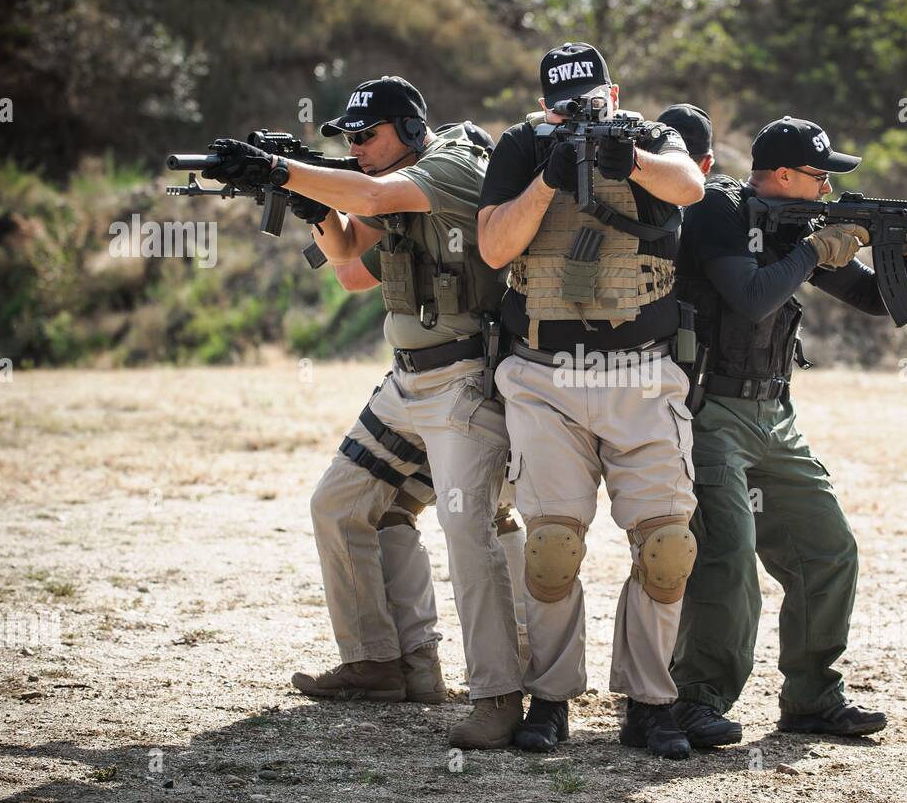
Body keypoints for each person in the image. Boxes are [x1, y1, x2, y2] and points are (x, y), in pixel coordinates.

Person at [204, 76, 525, 749]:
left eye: (366, 136)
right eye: (347, 141)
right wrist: (306, 197)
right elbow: (350, 268)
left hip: (465, 382)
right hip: (408, 383)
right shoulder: (394, 180)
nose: (357, 149)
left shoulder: (447, 168)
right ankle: (386, 664)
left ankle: (498, 696)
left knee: (470, 534)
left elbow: (375, 195)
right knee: (342, 504)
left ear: (410, 129)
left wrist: (286, 169)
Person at [668, 115, 907, 746]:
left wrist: (903, 254)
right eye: (818, 176)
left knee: (829, 549)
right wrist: (812, 250)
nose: (828, 191)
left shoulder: (797, 230)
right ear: (779, 176)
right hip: (710, 410)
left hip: (776, 416)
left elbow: (877, 301)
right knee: (726, 560)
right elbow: (748, 297)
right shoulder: (719, 211)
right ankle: (696, 698)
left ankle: (812, 696)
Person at [476, 43, 706, 759]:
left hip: (641, 372)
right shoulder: (520, 147)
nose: (578, 114)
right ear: (543, 104)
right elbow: (492, 247)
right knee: (550, 546)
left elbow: (690, 185)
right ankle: (550, 699)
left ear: (614, 91)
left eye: (592, 100)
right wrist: (547, 180)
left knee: (667, 546)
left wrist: (626, 159)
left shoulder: (645, 134)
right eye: (563, 104)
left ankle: (650, 703)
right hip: (545, 376)